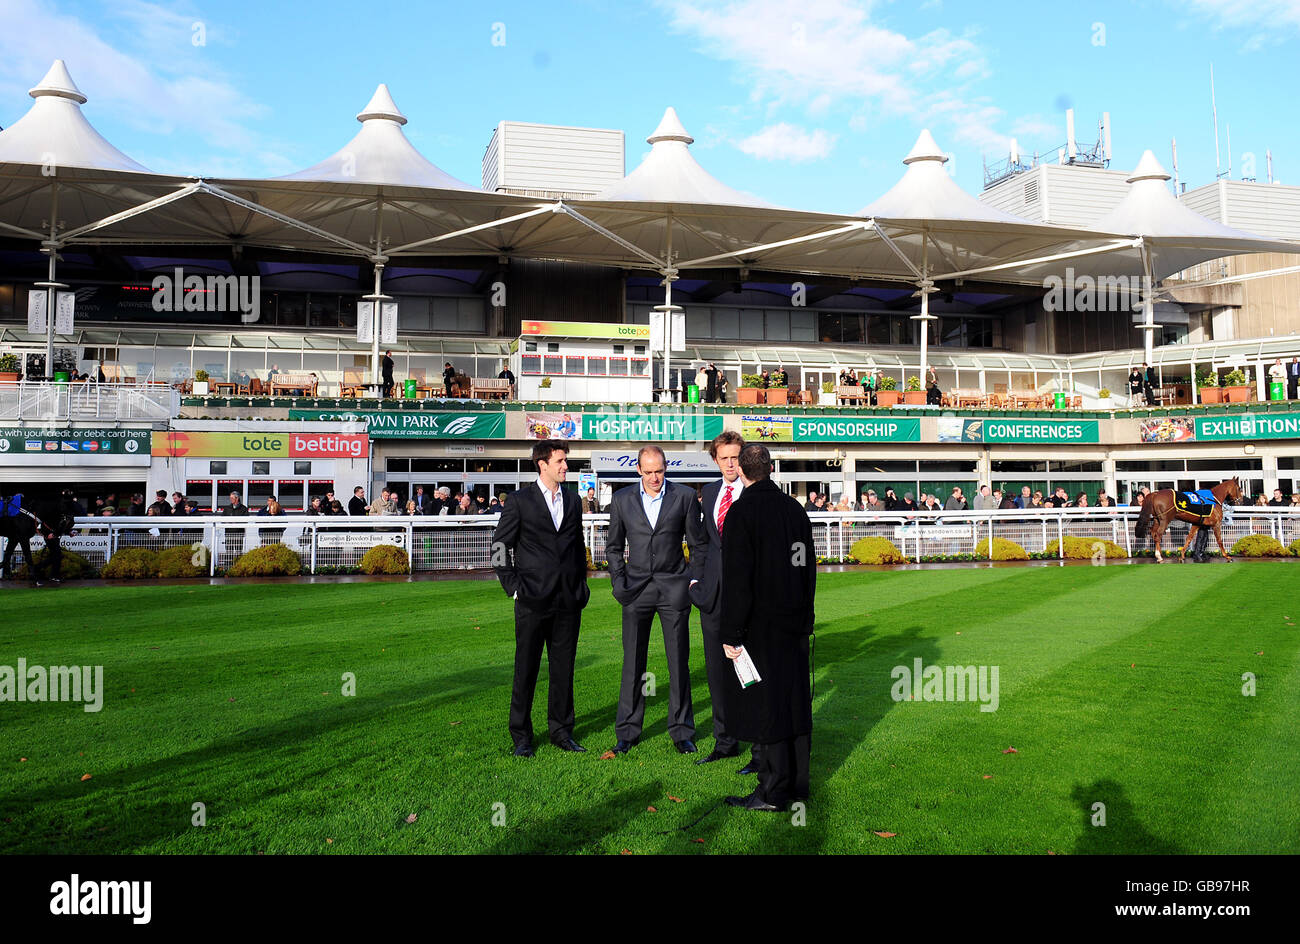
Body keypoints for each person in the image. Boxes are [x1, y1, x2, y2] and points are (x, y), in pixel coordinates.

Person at [720, 443, 816, 811]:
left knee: (770, 707)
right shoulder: (795, 510)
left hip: (761, 627)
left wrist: (731, 633)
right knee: (793, 703)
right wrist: (806, 617)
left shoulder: (742, 513)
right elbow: (808, 569)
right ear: (771, 468)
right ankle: (796, 785)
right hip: (793, 623)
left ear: (742, 471)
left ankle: (772, 792)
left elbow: (738, 580)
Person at [492, 439, 590, 756]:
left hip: (568, 601)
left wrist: (581, 586)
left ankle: (561, 731)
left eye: (566, 461)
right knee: (527, 669)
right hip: (532, 601)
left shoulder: (574, 501)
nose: (565, 466)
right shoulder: (519, 501)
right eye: (560, 461)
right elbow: (499, 547)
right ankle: (521, 736)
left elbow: (576, 547)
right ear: (542, 463)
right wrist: (514, 587)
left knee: (563, 670)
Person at [607, 445, 707, 755]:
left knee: (679, 662)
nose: (655, 477)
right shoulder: (622, 499)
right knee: (632, 663)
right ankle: (627, 731)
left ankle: (681, 731)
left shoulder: (685, 497)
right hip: (635, 591)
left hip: (673, 590)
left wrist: (689, 581)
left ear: (666, 467)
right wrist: (619, 583)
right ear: (638, 470)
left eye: (660, 470)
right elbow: (612, 547)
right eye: (648, 471)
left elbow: (698, 544)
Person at [689, 432, 755, 768]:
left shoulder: (755, 490)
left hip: (748, 598)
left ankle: (759, 748)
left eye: (735, 457)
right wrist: (695, 581)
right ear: (715, 460)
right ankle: (724, 742)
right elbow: (702, 543)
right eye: (724, 458)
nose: (730, 464)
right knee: (717, 673)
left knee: (750, 671)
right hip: (712, 596)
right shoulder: (711, 492)